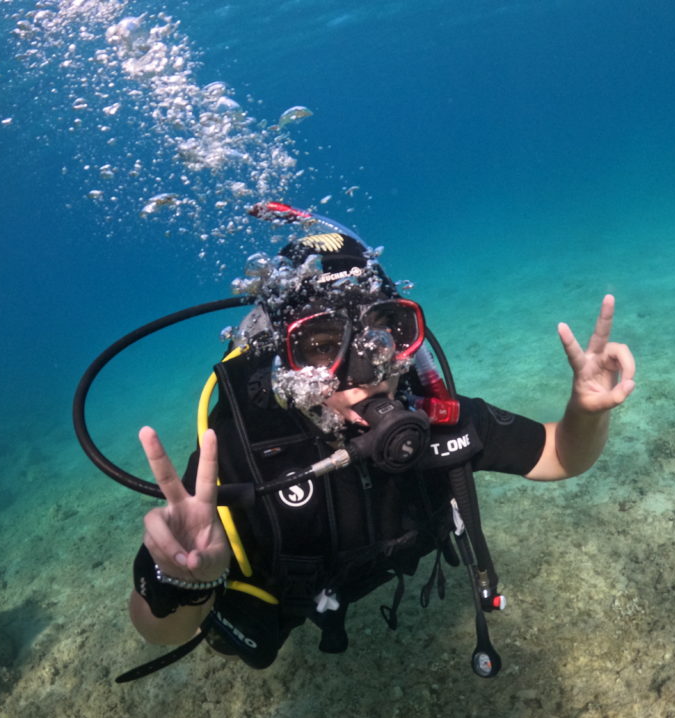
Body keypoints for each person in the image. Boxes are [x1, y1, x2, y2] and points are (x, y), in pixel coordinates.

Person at [124, 206, 636, 679]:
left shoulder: (435, 419)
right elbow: (159, 630)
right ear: (283, 358)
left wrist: (584, 412)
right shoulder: (241, 456)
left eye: (380, 335)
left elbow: (562, 456)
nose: (364, 370)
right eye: (321, 346)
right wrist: (181, 582)